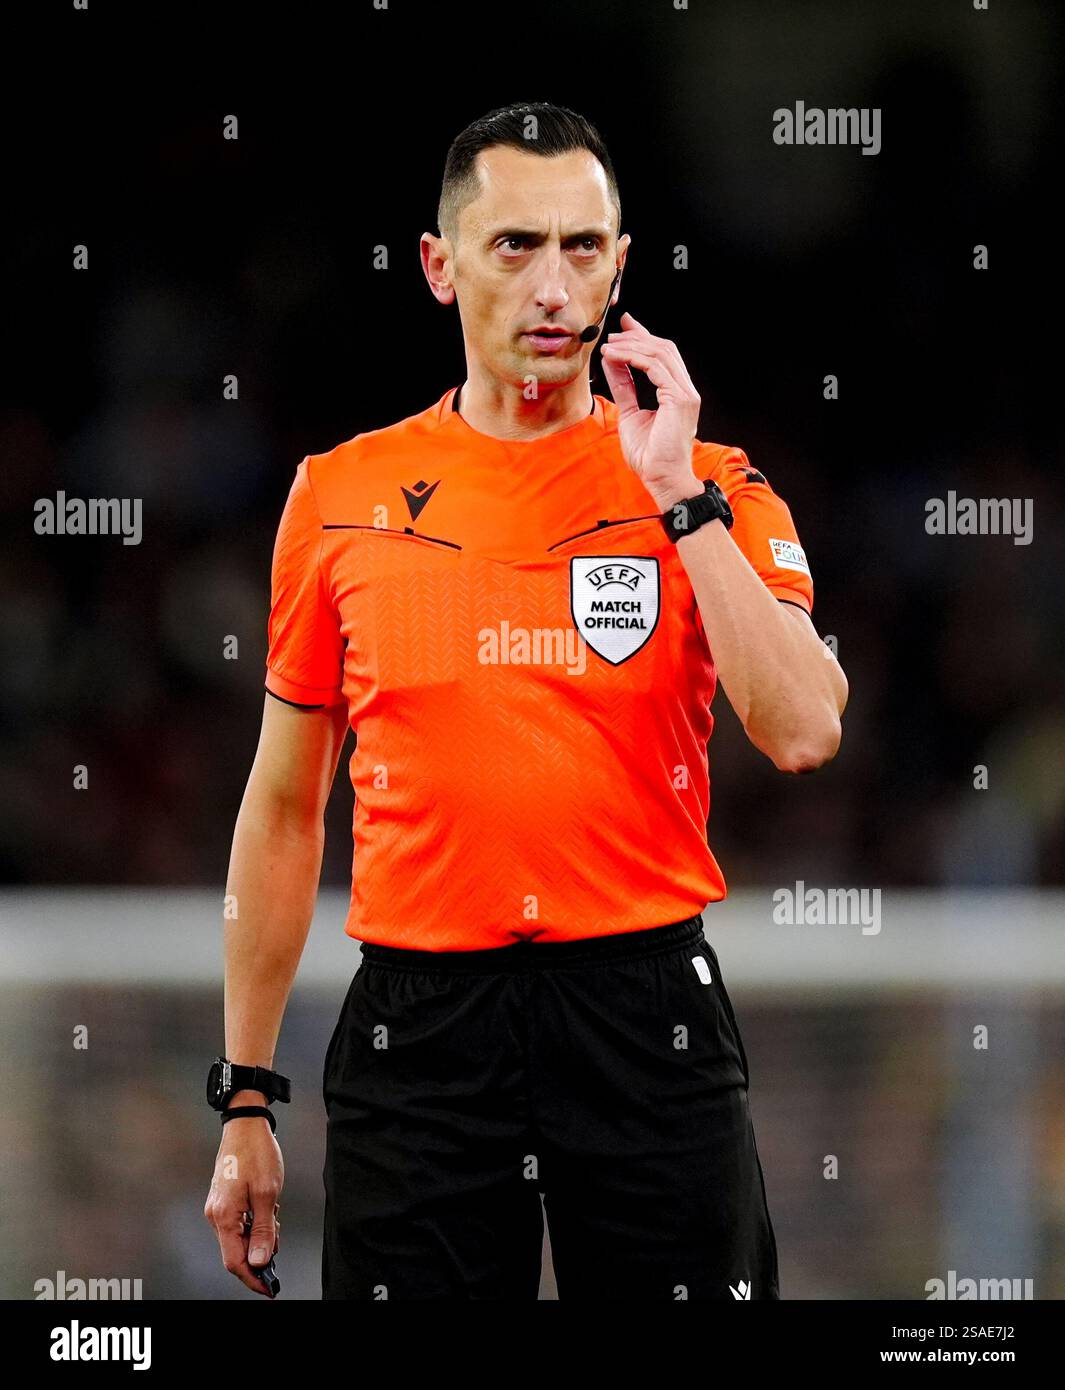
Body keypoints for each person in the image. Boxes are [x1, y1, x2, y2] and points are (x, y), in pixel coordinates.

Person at [203, 100, 849, 1301]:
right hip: (421, 1022)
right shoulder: (337, 496)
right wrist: (245, 1093)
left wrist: (681, 504)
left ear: (620, 268)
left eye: (584, 248)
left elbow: (806, 726)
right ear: (440, 268)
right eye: (515, 247)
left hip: (643, 1009)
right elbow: (285, 811)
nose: (554, 287)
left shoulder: (713, 484)